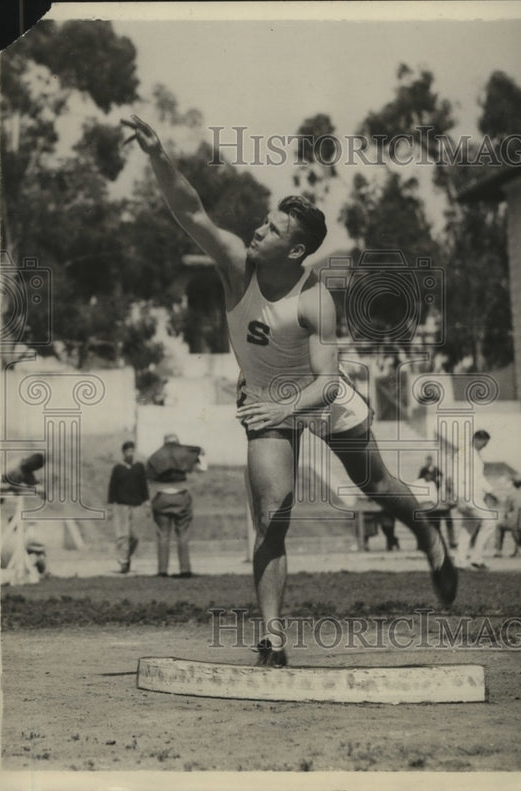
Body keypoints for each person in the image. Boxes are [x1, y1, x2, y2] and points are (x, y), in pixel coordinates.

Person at [123, 115, 457, 666]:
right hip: (265, 401)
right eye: (263, 222)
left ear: (297, 252)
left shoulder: (315, 300)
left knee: (374, 483)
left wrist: (286, 402)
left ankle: (428, 536)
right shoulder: (237, 266)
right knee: (273, 511)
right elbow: (190, 210)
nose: (259, 232)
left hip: (318, 398)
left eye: (273, 231)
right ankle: (273, 638)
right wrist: (159, 155)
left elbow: (327, 384)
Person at [146, 433, 207, 578]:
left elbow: (149, 479)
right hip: (181, 496)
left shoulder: (155, 457)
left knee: (162, 535)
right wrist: (202, 455)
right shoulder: (185, 455)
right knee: (183, 535)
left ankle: (162, 570)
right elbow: (202, 468)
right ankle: (185, 570)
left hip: (161, 497)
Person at [453, 430, 498, 570]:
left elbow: (479, 478)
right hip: (468, 495)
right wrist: (460, 497)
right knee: (489, 523)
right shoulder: (465, 453)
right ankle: (476, 559)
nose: (485, 446)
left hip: (475, 495)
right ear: (477, 439)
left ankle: (460, 560)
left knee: (468, 528)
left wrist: (491, 491)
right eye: (484, 443)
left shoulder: (475, 455)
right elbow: (457, 475)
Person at [107, 441, 149, 573]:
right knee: (122, 535)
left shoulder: (139, 467)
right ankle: (123, 562)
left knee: (135, 536)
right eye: (128, 451)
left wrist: (147, 501)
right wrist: (110, 506)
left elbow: (144, 485)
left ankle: (126, 556)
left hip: (137, 504)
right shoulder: (118, 468)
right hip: (121, 505)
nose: (130, 453)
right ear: (123, 453)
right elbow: (112, 487)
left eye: (132, 450)